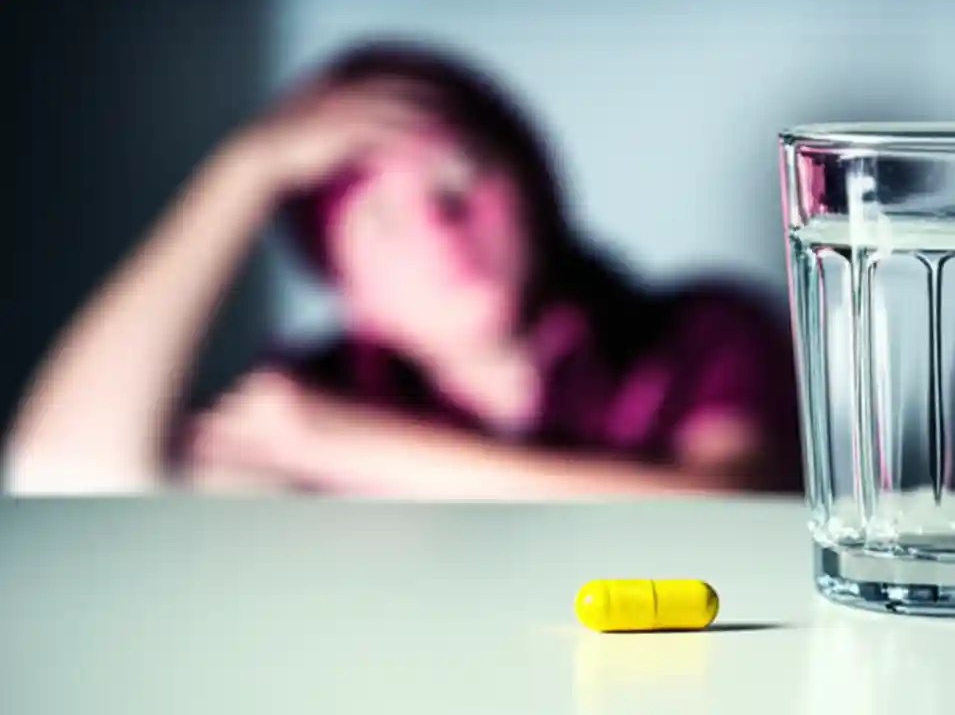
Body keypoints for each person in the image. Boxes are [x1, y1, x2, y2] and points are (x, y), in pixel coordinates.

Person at [6, 43, 799, 498]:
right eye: (379, 216)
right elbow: (61, 475)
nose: (439, 227)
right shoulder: (313, 393)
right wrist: (243, 171)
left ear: (536, 189)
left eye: (459, 178)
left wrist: (365, 453)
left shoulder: (706, 334)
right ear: (337, 275)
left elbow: (727, 507)